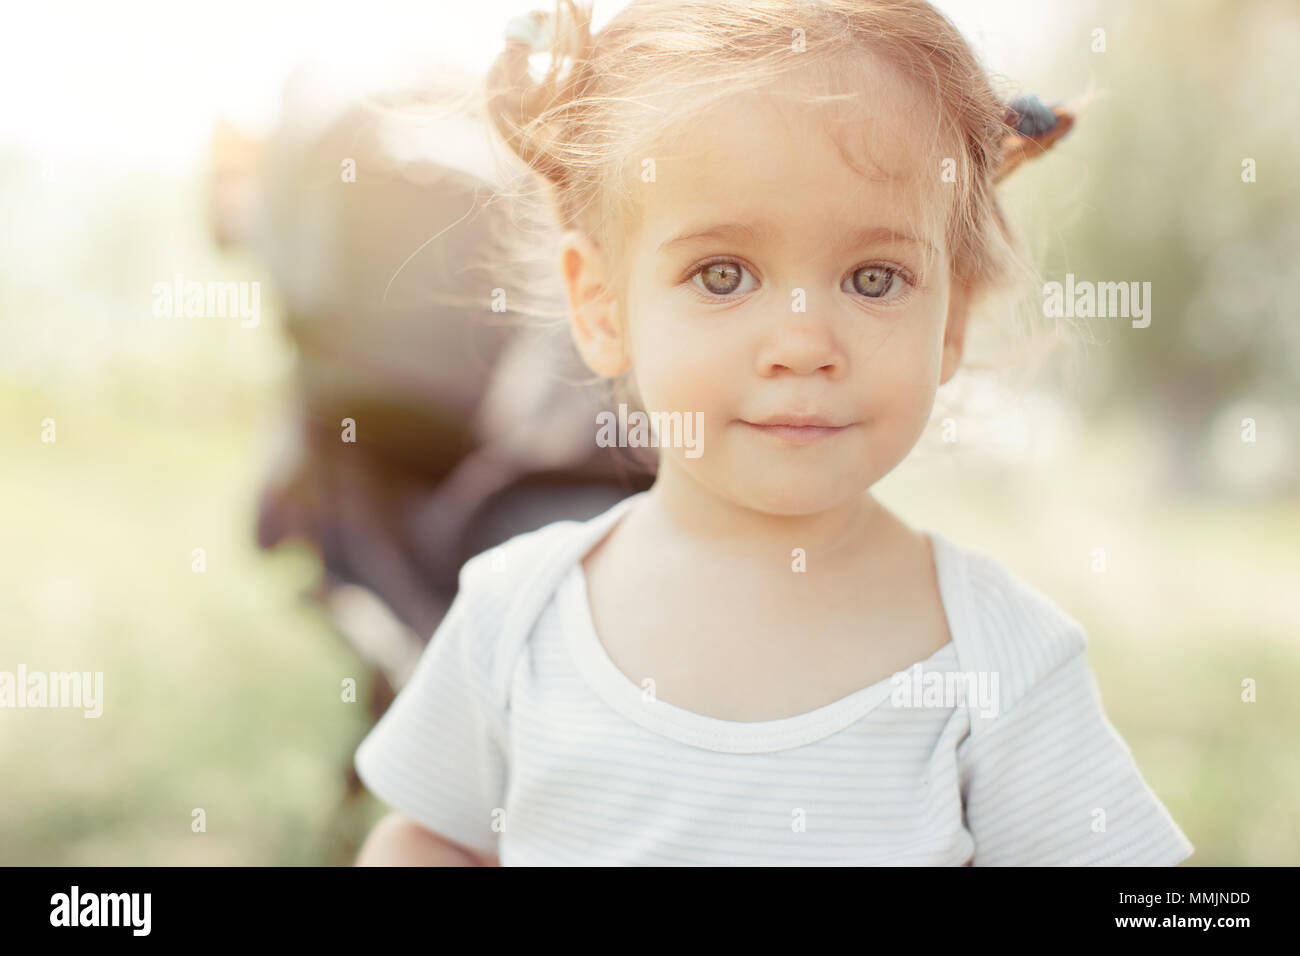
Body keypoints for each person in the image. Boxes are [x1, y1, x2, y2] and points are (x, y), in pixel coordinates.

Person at [352, 0, 1194, 866]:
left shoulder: (1000, 661)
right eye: (723, 274)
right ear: (602, 307)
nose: (802, 343)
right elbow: (428, 839)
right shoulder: (515, 618)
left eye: (874, 278)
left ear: (952, 319)